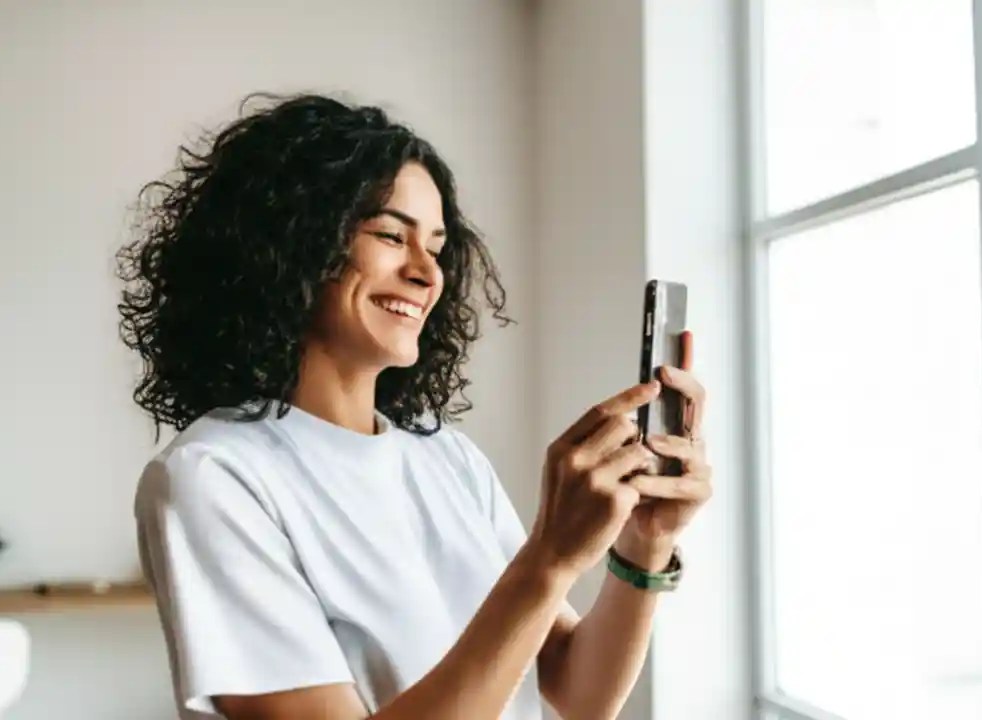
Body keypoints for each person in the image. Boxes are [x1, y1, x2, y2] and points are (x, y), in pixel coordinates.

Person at [116, 93, 712, 720]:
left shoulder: (444, 454)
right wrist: (549, 558)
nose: (429, 272)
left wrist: (644, 546)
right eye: (390, 235)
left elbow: (576, 691)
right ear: (290, 244)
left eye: (436, 244)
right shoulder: (214, 476)